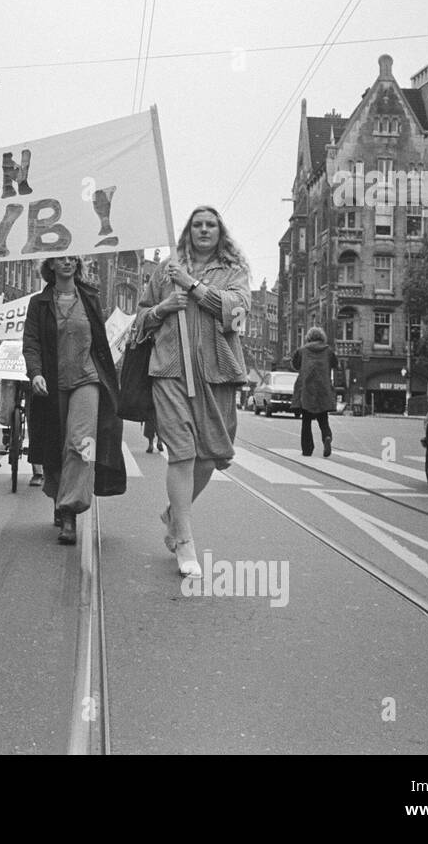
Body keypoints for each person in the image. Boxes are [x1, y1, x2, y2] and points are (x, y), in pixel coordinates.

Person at [136, 206, 251, 579]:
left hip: (217, 372)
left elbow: (237, 313)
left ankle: (174, 513)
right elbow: (140, 320)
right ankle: (184, 539)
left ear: (220, 232)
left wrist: (193, 287)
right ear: (188, 230)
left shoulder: (233, 271)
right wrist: (163, 308)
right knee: (182, 453)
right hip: (170, 369)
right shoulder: (166, 268)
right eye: (198, 224)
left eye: (211, 225)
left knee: (210, 456)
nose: (204, 230)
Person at [23, 257, 127, 545]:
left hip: (87, 379)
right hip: (52, 383)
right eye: (61, 258)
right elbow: (31, 343)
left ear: (78, 264)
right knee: (56, 444)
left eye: (72, 258)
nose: (67, 262)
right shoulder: (38, 304)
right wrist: (35, 374)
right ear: (51, 265)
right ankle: (59, 497)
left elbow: (100, 342)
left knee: (83, 443)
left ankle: (69, 512)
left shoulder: (90, 298)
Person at [291, 326, 339, 458]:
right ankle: (327, 437)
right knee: (323, 418)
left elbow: (295, 365)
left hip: (306, 388)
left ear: (308, 337)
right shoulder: (328, 350)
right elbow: (335, 364)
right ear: (322, 337)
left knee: (306, 420)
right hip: (323, 388)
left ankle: (307, 449)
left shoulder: (302, 350)